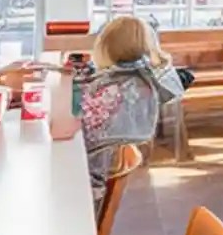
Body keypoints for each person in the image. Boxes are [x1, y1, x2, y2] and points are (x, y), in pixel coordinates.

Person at [52, 15, 183, 213]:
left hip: (83, 190)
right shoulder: (137, 78)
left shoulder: (114, 88)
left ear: (105, 47)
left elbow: (70, 129)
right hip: (93, 179)